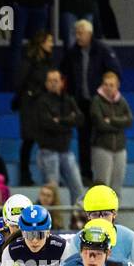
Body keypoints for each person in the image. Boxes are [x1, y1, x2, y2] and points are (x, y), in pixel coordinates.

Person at [61, 19, 120, 183]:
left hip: (100, 103)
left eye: (80, 33)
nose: (77, 36)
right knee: (83, 138)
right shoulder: (72, 53)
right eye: (76, 33)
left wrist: (106, 95)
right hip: (81, 102)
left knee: (101, 137)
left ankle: (102, 176)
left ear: (89, 34)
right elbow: (64, 75)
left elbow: (115, 72)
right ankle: (86, 173)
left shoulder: (102, 50)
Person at [32, 68, 85, 205]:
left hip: (66, 151)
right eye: (50, 81)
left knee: (78, 189)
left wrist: (59, 120)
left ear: (61, 82)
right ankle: (51, 222)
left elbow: (80, 119)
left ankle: (77, 221)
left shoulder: (68, 99)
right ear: (46, 84)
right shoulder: (41, 101)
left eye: (56, 80)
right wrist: (68, 121)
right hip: (48, 152)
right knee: (51, 193)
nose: (53, 83)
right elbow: (47, 124)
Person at [12, 30, 54, 185]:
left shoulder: (48, 61)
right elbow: (20, 82)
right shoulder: (29, 61)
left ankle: (51, 176)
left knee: (46, 141)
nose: (51, 44)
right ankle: (25, 174)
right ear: (42, 43)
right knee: (29, 140)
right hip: (30, 105)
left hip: (43, 105)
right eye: (49, 41)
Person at [90, 70, 131, 194]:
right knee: (102, 185)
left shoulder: (122, 101)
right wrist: (119, 125)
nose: (108, 87)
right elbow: (100, 124)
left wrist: (111, 120)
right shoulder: (96, 101)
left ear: (117, 86)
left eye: (111, 85)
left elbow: (129, 120)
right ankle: (100, 212)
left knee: (117, 185)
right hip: (102, 147)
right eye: (106, 84)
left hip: (120, 148)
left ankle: (114, 212)